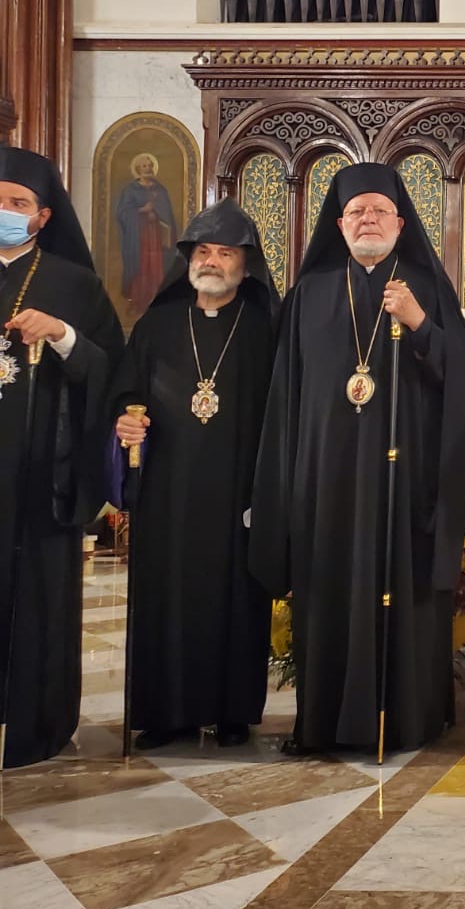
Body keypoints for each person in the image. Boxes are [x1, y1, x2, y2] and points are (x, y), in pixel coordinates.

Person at [250, 163, 465, 756]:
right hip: (325, 481)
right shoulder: (309, 295)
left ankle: (407, 720)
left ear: (401, 223)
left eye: (379, 210)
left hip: (406, 484)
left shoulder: (426, 288)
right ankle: (322, 723)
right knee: (327, 593)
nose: (368, 219)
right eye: (357, 212)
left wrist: (420, 325)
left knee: (402, 592)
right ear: (339, 224)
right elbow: (286, 396)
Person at [109, 199, 279, 749]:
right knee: (168, 595)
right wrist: (127, 421)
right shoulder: (157, 323)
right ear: (188, 260)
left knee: (236, 596)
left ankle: (231, 713)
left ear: (245, 265)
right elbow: (128, 390)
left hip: (238, 490)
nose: (212, 261)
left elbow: (283, 410)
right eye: (203, 251)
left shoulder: (263, 330)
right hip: (169, 489)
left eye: (224, 252)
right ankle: (166, 713)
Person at [0, 145, 123, 768]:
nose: (4, 210)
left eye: (18, 203)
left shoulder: (72, 283)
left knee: (34, 599)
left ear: (44, 216)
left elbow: (110, 369)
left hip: (36, 478)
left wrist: (64, 334)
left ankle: (33, 725)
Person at [114, 152, 179, 318]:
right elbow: (122, 212)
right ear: (138, 169)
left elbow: (168, 214)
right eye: (144, 166)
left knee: (156, 266)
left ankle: (156, 302)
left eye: (149, 166)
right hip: (138, 237)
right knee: (141, 266)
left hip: (157, 237)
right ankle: (138, 302)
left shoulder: (160, 190)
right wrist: (142, 210)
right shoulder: (130, 190)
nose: (147, 169)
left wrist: (158, 215)